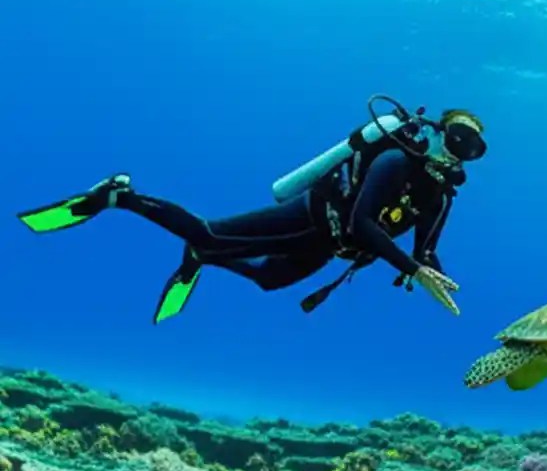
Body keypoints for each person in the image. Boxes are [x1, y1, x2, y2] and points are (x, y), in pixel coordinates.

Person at [16, 96, 486, 323]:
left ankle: (199, 260)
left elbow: (425, 252)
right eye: (457, 137)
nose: (460, 151)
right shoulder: (393, 161)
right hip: (310, 217)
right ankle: (118, 195)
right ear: (437, 133)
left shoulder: (440, 197)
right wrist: (410, 267)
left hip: (330, 247)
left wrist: (433, 276)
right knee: (205, 231)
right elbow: (363, 223)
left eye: (472, 148)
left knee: (267, 280)